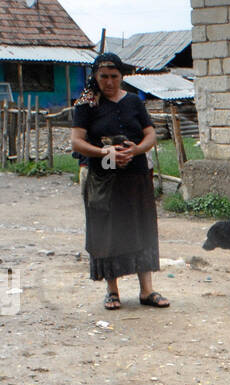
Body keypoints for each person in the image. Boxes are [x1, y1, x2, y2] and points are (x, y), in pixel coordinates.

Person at [70, 52, 169, 309]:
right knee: (108, 231)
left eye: (114, 76)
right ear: (95, 76)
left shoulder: (134, 102)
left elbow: (150, 135)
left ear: (122, 77)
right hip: (104, 178)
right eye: (104, 76)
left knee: (140, 227)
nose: (109, 82)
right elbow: (77, 141)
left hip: (135, 176)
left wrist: (136, 150)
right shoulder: (86, 104)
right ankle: (112, 291)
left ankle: (147, 291)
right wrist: (106, 152)